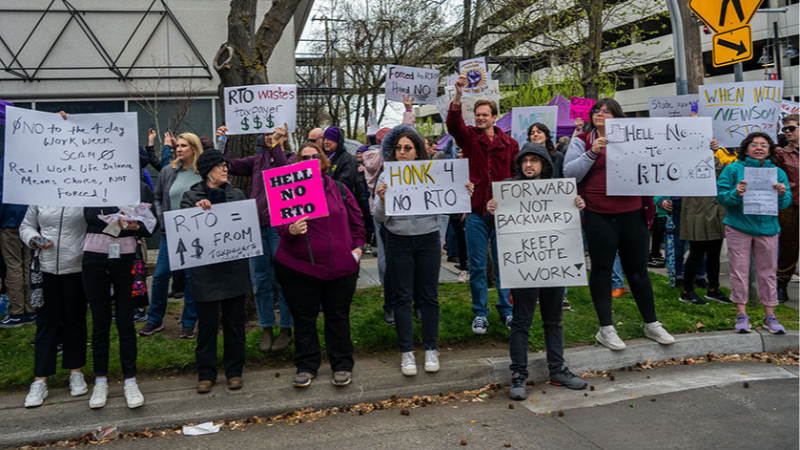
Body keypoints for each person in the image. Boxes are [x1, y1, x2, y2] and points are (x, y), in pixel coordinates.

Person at [563, 98, 675, 351]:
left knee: (638, 271)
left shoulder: (635, 139)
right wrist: (593, 152)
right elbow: (569, 173)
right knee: (602, 270)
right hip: (598, 213)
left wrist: (703, 145)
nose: (599, 114)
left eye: (606, 111)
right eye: (596, 111)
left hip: (633, 213)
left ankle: (651, 323)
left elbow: (669, 155)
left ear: (618, 116)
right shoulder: (582, 141)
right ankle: (606, 328)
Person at [487, 142, 587, 399]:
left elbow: (573, 227)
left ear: (544, 164)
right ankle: (518, 374)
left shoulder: (560, 191)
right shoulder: (509, 190)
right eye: (524, 160)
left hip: (553, 266)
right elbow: (495, 226)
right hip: (524, 269)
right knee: (521, 322)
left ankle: (557, 370)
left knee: (554, 320)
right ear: (519, 164)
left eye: (534, 160)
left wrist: (578, 207)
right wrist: (491, 212)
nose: (528, 165)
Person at [373, 127, 473, 376]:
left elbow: (449, 201)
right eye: (398, 148)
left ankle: (431, 348)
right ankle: (406, 352)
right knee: (402, 297)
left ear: (417, 150)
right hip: (398, 241)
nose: (402, 153)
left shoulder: (433, 174)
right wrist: (383, 201)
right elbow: (378, 216)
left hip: (428, 240)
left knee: (429, 296)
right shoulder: (387, 175)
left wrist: (464, 193)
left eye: (407, 148)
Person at [275, 143, 365, 389]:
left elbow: (357, 222)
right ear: (297, 162)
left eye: (316, 157)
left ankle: (342, 364)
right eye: (305, 157)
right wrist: (291, 229)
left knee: (338, 316)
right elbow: (280, 226)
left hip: (341, 269)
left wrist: (357, 248)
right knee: (304, 319)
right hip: (299, 268)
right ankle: (306, 366)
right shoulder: (288, 190)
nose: (311, 160)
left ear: (323, 161)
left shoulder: (339, 189)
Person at [446, 74, 519, 334]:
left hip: (502, 214)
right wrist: (458, 96)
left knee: (505, 266)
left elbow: (516, 175)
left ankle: (507, 310)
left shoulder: (510, 144)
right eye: (477, 115)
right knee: (477, 266)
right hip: (476, 213)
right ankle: (480, 313)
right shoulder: (469, 139)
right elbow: (453, 126)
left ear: (494, 117)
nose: (480, 118)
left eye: (485, 115)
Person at [215, 124, 294, 353]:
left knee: (282, 279)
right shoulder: (257, 161)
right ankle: (267, 327)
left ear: (285, 137)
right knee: (260, 281)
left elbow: (284, 174)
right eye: (268, 134)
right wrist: (223, 141)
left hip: (280, 228)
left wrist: (278, 145)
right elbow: (226, 165)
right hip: (257, 228)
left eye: (275, 134)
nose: (270, 137)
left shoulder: (291, 159)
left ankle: (286, 328)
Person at [181, 150, 250, 393]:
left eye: (226, 165)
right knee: (207, 326)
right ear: (207, 169)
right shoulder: (191, 197)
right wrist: (196, 213)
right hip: (205, 272)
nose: (225, 169)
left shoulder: (237, 194)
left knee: (234, 325)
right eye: (220, 166)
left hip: (233, 270)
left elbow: (243, 227)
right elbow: (185, 232)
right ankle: (206, 374)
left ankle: (234, 372)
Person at [83, 181, 155, 409]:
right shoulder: (93, 184)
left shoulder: (141, 188)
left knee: (126, 321)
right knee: (100, 321)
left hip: (126, 259)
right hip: (95, 257)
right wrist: (118, 216)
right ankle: (100, 380)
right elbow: (90, 215)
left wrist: (135, 228)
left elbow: (151, 225)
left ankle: (130, 380)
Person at [717, 132, 792, 333]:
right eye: (754, 144)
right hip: (738, 226)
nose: (759, 148)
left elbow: (785, 203)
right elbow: (722, 197)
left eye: (764, 145)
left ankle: (771, 315)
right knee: (739, 271)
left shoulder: (777, 172)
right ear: (746, 148)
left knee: (768, 273)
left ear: (770, 150)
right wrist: (736, 193)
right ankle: (741, 314)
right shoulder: (732, 169)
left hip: (768, 228)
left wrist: (783, 193)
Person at [19, 205, 88, 407]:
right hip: (46, 267)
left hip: (77, 266)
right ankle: (40, 379)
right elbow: (26, 226)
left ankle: (76, 372)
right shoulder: (40, 195)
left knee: (75, 321)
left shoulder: (85, 194)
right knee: (46, 322)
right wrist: (34, 239)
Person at [140, 133, 203, 338]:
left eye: (184, 146)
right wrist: (162, 218)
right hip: (171, 232)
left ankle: (189, 322)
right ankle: (154, 320)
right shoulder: (169, 170)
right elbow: (158, 197)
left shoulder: (203, 172)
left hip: (196, 234)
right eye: (177, 145)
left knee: (191, 279)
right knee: (160, 276)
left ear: (194, 148)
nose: (178, 149)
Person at [674, 139, 731, 305]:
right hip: (696, 209)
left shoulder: (715, 157)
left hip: (715, 209)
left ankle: (713, 289)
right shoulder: (683, 160)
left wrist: (712, 154)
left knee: (714, 251)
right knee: (696, 252)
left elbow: (721, 174)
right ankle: (687, 291)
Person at [0, 158, 32, 327]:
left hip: (10, 221)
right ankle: (31, 307)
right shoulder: (32, 161)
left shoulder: (7, 162)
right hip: (32, 221)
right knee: (29, 265)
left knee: (13, 266)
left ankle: (17, 311)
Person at [775, 114, 798, 302]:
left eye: (791, 128)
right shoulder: (782, 153)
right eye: (785, 129)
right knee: (789, 247)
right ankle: (781, 283)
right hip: (791, 205)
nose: (787, 132)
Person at [322, 126, 357, 195]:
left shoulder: (347, 159)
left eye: (329, 139)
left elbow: (344, 183)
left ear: (337, 141)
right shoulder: (322, 157)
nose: (326, 142)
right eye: (324, 139)